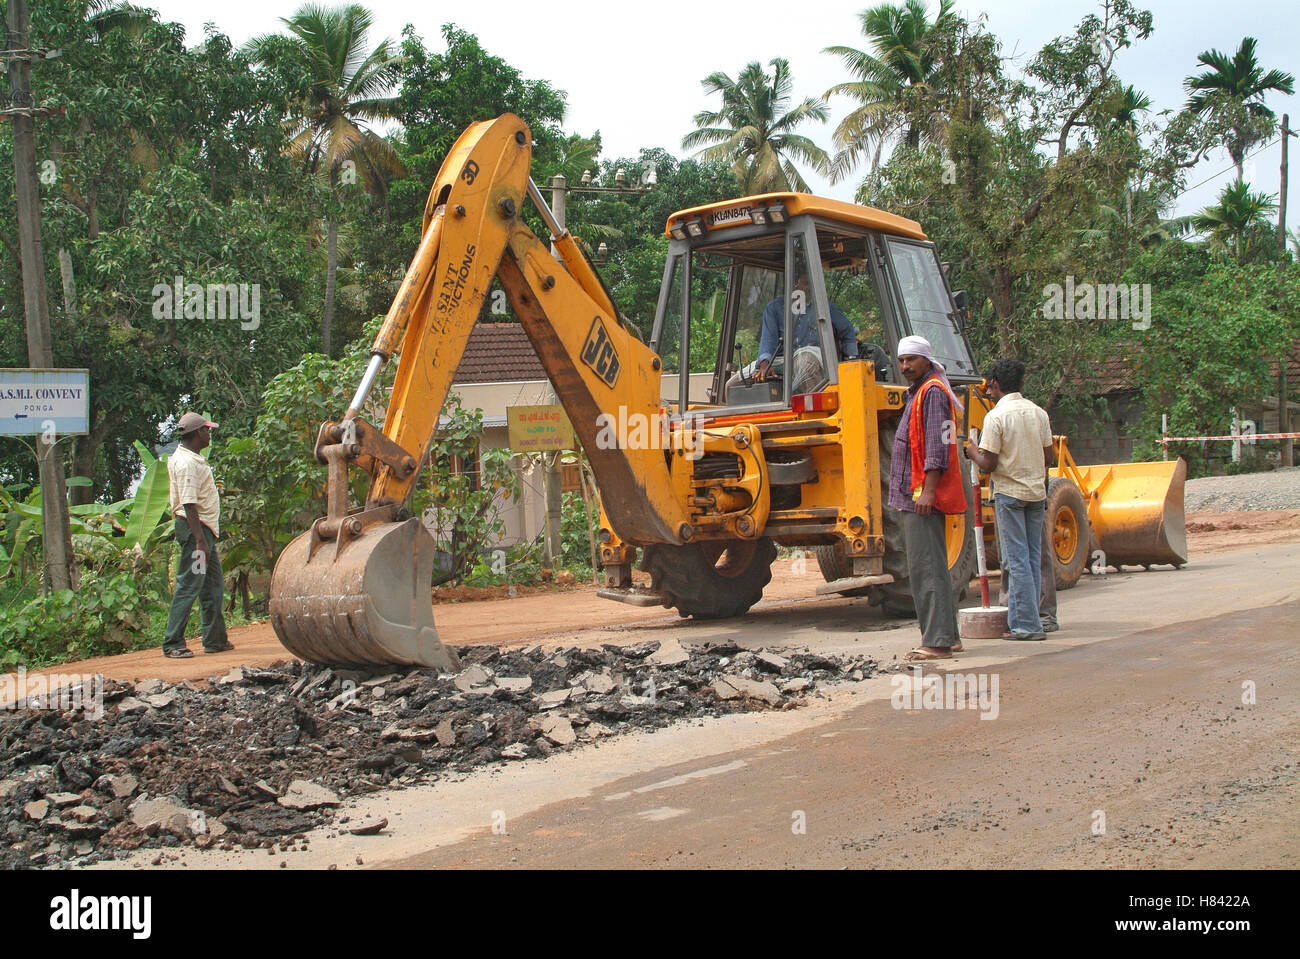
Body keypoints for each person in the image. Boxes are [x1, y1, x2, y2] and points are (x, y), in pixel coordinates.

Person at [889, 335, 967, 661]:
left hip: (920, 494)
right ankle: (949, 635)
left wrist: (929, 492)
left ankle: (937, 642)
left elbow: (936, 446)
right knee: (933, 564)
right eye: (902, 360)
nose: (906, 366)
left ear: (926, 360)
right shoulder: (923, 391)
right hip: (916, 492)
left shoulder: (932, 393)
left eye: (912, 360)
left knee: (927, 568)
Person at [964, 358, 1053, 641]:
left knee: (1017, 562)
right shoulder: (1039, 413)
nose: (987, 392)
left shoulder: (996, 417)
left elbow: (988, 463)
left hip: (1010, 496)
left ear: (996, 385)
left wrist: (971, 451)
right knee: (1033, 558)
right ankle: (1032, 619)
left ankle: (1026, 626)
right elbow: (1048, 457)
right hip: (1036, 494)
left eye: (989, 386)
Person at [161, 411, 232, 658]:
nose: (209, 434)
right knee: (190, 584)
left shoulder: (190, 458)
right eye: (206, 430)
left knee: (212, 584)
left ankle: (215, 639)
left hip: (203, 531)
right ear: (196, 433)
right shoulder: (187, 464)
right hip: (196, 531)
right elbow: (189, 503)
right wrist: (200, 540)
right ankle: (173, 643)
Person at [726, 269, 857, 397]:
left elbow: (847, 330)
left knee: (803, 366)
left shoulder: (823, 306)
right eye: (806, 283)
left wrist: (852, 359)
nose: (810, 288)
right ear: (795, 284)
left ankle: (816, 412)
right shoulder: (775, 308)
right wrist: (765, 364)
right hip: (780, 359)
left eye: (811, 284)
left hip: (811, 353)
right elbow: (768, 340)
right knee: (732, 385)